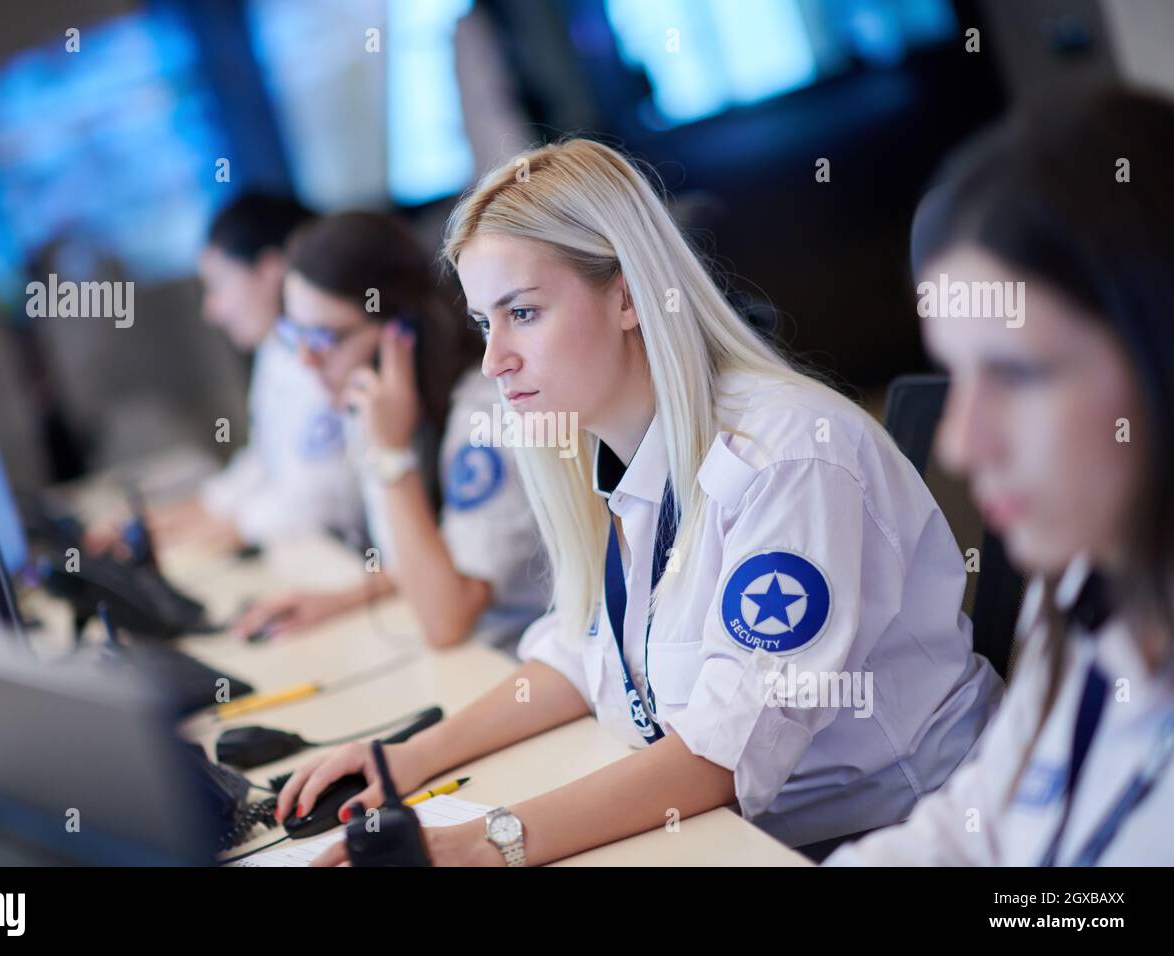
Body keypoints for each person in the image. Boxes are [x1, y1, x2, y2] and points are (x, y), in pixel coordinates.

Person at [272, 138, 1002, 865]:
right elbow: (580, 657)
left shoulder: (791, 460)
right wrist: (405, 759)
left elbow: (718, 757)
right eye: (483, 324)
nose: (495, 361)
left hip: (899, 836)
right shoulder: (615, 447)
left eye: (522, 313)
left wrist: (489, 842)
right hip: (741, 836)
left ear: (626, 295)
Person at [827, 86, 1174, 866]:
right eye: (956, 374)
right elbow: (982, 821)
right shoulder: (1090, 584)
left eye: (1016, 375)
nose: (957, 445)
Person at [232, 212, 549, 650]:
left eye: (326, 338)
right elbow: (433, 555)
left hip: (526, 670)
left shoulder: (486, 418)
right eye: (295, 335)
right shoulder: (378, 404)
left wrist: (392, 456)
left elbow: (447, 620)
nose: (306, 361)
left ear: (401, 330)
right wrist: (342, 600)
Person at [88, 192, 362, 555]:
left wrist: (188, 537)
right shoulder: (278, 349)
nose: (211, 310)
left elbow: (313, 503)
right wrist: (164, 522)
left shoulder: (327, 358)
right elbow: (265, 461)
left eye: (218, 284)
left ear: (268, 271)